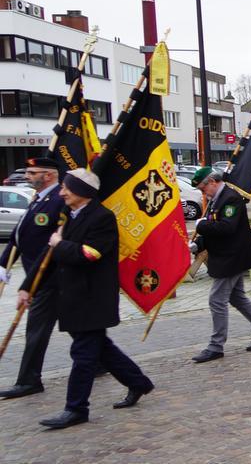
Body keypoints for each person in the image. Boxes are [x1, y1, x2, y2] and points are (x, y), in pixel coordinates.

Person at [36, 169, 154, 429]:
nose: (62, 193)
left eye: (67, 188)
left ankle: (76, 408)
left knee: (83, 355)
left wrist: (59, 244)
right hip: (73, 297)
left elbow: (90, 254)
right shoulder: (69, 216)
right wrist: (28, 288)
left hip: (93, 299)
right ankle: (138, 383)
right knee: (101, 349)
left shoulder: (102, 217)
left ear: (82, 191)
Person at [189, 167, 251, 363]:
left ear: (213, 182)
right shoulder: (216, 199)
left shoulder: (231, 198)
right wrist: (198, 244)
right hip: (228, 256)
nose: (203, 193)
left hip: (232, 258)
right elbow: (215, 228)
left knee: (216, 300)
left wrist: (201, 225)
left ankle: (216, 346)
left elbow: (227, 228)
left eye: (203, 188)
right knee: (237, 298)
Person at [0, 158, 64, 399]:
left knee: (36, 330)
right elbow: (19, 236)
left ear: (48, 175)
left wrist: (29, 284)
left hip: (48, 278)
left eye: (31, 172)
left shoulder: (59, 200)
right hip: (35, 275)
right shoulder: (38, 199)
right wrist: (3, 265)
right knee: (82, 329)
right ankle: (100, 362)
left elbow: (53, 244)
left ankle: (28, 380)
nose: (27, 176)